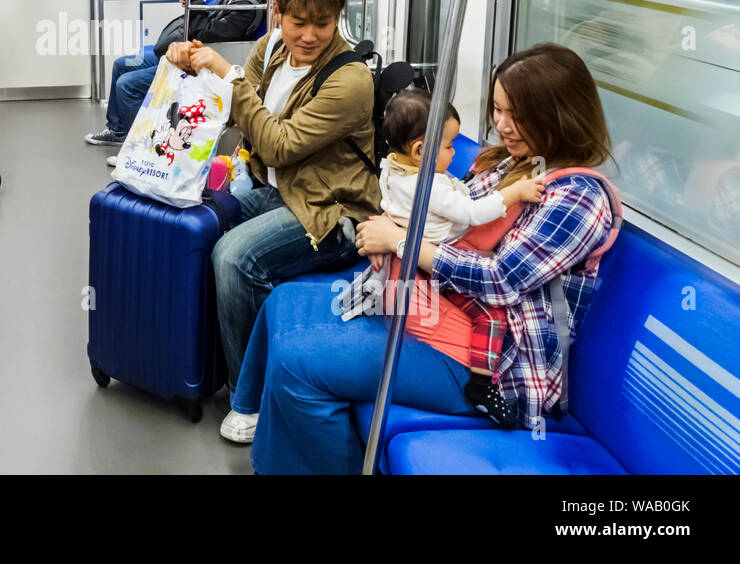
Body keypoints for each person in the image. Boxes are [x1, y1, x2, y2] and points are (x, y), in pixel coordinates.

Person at [230, 43, 616, 473]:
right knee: (280, 302)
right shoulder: (510, 165)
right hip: (437, 311)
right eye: (497, 111)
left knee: (299, 366)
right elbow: (444, 217)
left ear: (558, 115)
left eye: (517, 115)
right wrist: (388, 233)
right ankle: (255, 422)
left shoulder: (579, 197)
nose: (502, 126)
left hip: (489, 367)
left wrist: (401, 243)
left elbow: (503, 278)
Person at [165, 0, 380, 443]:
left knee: (235, 257)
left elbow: (278, 143)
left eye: (322, 24)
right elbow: (242, 121)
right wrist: (196, 68)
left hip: (334, 212)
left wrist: (231, 78)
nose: (309, 35)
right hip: (278, 190)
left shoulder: (349, 81)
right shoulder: (272, 49)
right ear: (278, 13)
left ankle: (255, 395)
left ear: (337, 19)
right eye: (298, 22)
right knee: (198, 224)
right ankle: (204, 359)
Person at [370, 89, 544, 424]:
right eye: (449, 146)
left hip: (426, 259)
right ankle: (481, 384)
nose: (454, 152)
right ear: (420, 151)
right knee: (493, 317)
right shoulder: (427, 185)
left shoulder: (393, 169)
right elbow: (473, 213)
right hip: (439, 264)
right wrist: (515, 192)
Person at [86, 0, 266, 148]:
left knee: (127, 84)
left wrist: (196, 1)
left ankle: (138, 146)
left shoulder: (247, 8)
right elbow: (207, 26)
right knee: (121, 64)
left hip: (197, 65)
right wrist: (194, 4)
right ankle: (119, 130)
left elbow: (210, 35)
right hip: (189, 52)